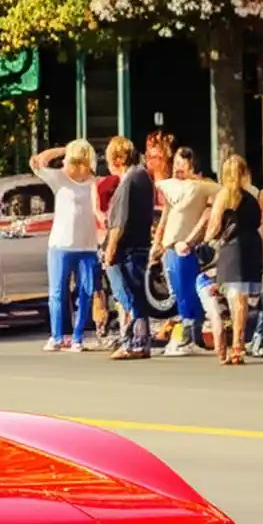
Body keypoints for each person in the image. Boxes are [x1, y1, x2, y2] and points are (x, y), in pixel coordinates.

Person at [31, 140, 100, 352]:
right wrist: (63, 150)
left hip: (87, 247)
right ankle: (57, 336)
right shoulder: (59, 179)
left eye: (68, 160)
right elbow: (36, 163)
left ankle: (78, 337)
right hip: (60, 245)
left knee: (85, 292)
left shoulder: (93, 183)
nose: (64, 164)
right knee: (57, 292)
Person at [154, 147, 220, 356]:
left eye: (183, 163)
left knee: (188, 291)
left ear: (193, 165)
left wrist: (192, 239)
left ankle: (192, 336)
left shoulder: (202, 186)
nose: (178, 167)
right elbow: (166, 214)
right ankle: (189, 334)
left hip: (186, 247)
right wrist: (158, 242)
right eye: (176, 162)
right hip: (170, 246)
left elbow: (213, 207)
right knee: (177, 291)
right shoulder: (173, 189)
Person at [202, 155, 263, 364]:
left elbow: (214, 225)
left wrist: (206, 242)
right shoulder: (252, 196)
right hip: (252, 246)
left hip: (233, 248)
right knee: (242, 299)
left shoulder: (224, 195)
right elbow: (259, 222)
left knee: (233, 298)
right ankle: (238, 343)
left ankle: (234, 345)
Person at [104, 135, 156, 360]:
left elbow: (119, 221)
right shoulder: (143, 177)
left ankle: (133, 342)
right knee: (137, 296)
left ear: (118, 159)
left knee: (127, 296)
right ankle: (141, 342)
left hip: (127, 248)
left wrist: (110, 248)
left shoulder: (129, 181)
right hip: (140, 244)